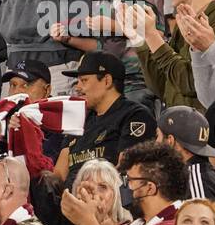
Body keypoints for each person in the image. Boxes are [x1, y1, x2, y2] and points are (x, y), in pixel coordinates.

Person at [57, 52, 156, 183]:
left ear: (107, 81)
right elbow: (59, 174)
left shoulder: (134, 115)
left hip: (106, 198)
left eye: (84, 80)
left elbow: (126, 169)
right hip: (70, 199)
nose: (77, 87)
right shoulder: (80, 119)